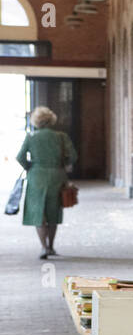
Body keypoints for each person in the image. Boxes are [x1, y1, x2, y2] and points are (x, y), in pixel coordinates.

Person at [15, 105, 76, 259]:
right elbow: (73, 156)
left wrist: (30, 167)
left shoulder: (31, 137)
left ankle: (43, 247)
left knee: (39, 212)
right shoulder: (61, 136)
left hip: (36, 177)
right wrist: (62, 164)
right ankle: (51, 246)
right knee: (53, 211)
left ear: (36, 121)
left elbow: (20, 157)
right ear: (51, 120)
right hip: (57, 175)